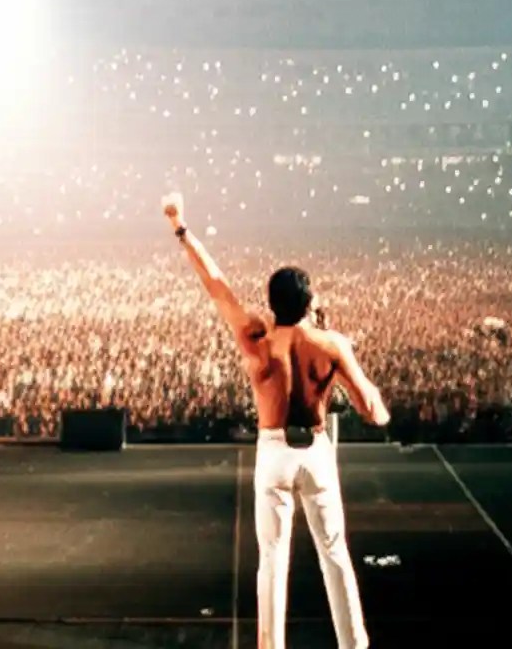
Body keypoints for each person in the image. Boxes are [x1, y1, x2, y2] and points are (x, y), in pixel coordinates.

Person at [162, 193, 389, 649]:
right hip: (317, 453)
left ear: (273, 302)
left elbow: (216, 284)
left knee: (272, 559)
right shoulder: (333, 345)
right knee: (335, 555)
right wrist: (333, 344)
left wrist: (180, 228)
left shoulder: (258, 341)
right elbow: (374, 411)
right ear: (309, 302)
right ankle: (354, 644)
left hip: (273, 452)